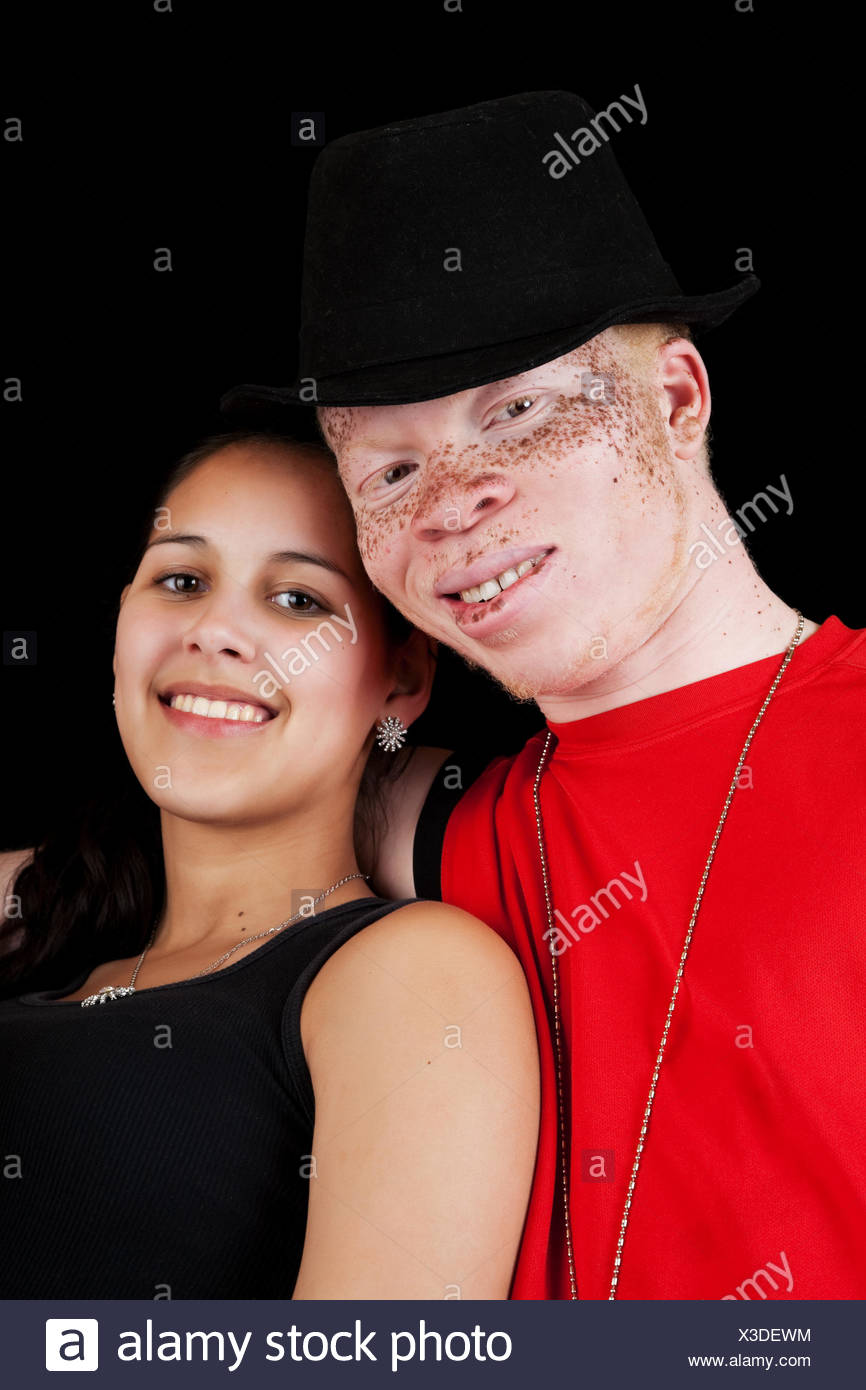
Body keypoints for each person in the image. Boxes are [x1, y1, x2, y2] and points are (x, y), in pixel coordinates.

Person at [220, 91, 866, 1300]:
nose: (453, 500)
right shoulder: (455, 836)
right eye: (391, 468)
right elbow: (170, 846)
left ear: (676, 400)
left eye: (514, 411)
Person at [0, 430, 540, 1300]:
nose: (213, 630)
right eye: (181, 581)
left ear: (401, 680)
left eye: (296, 599)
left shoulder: (412, 974)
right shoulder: (40, 920)